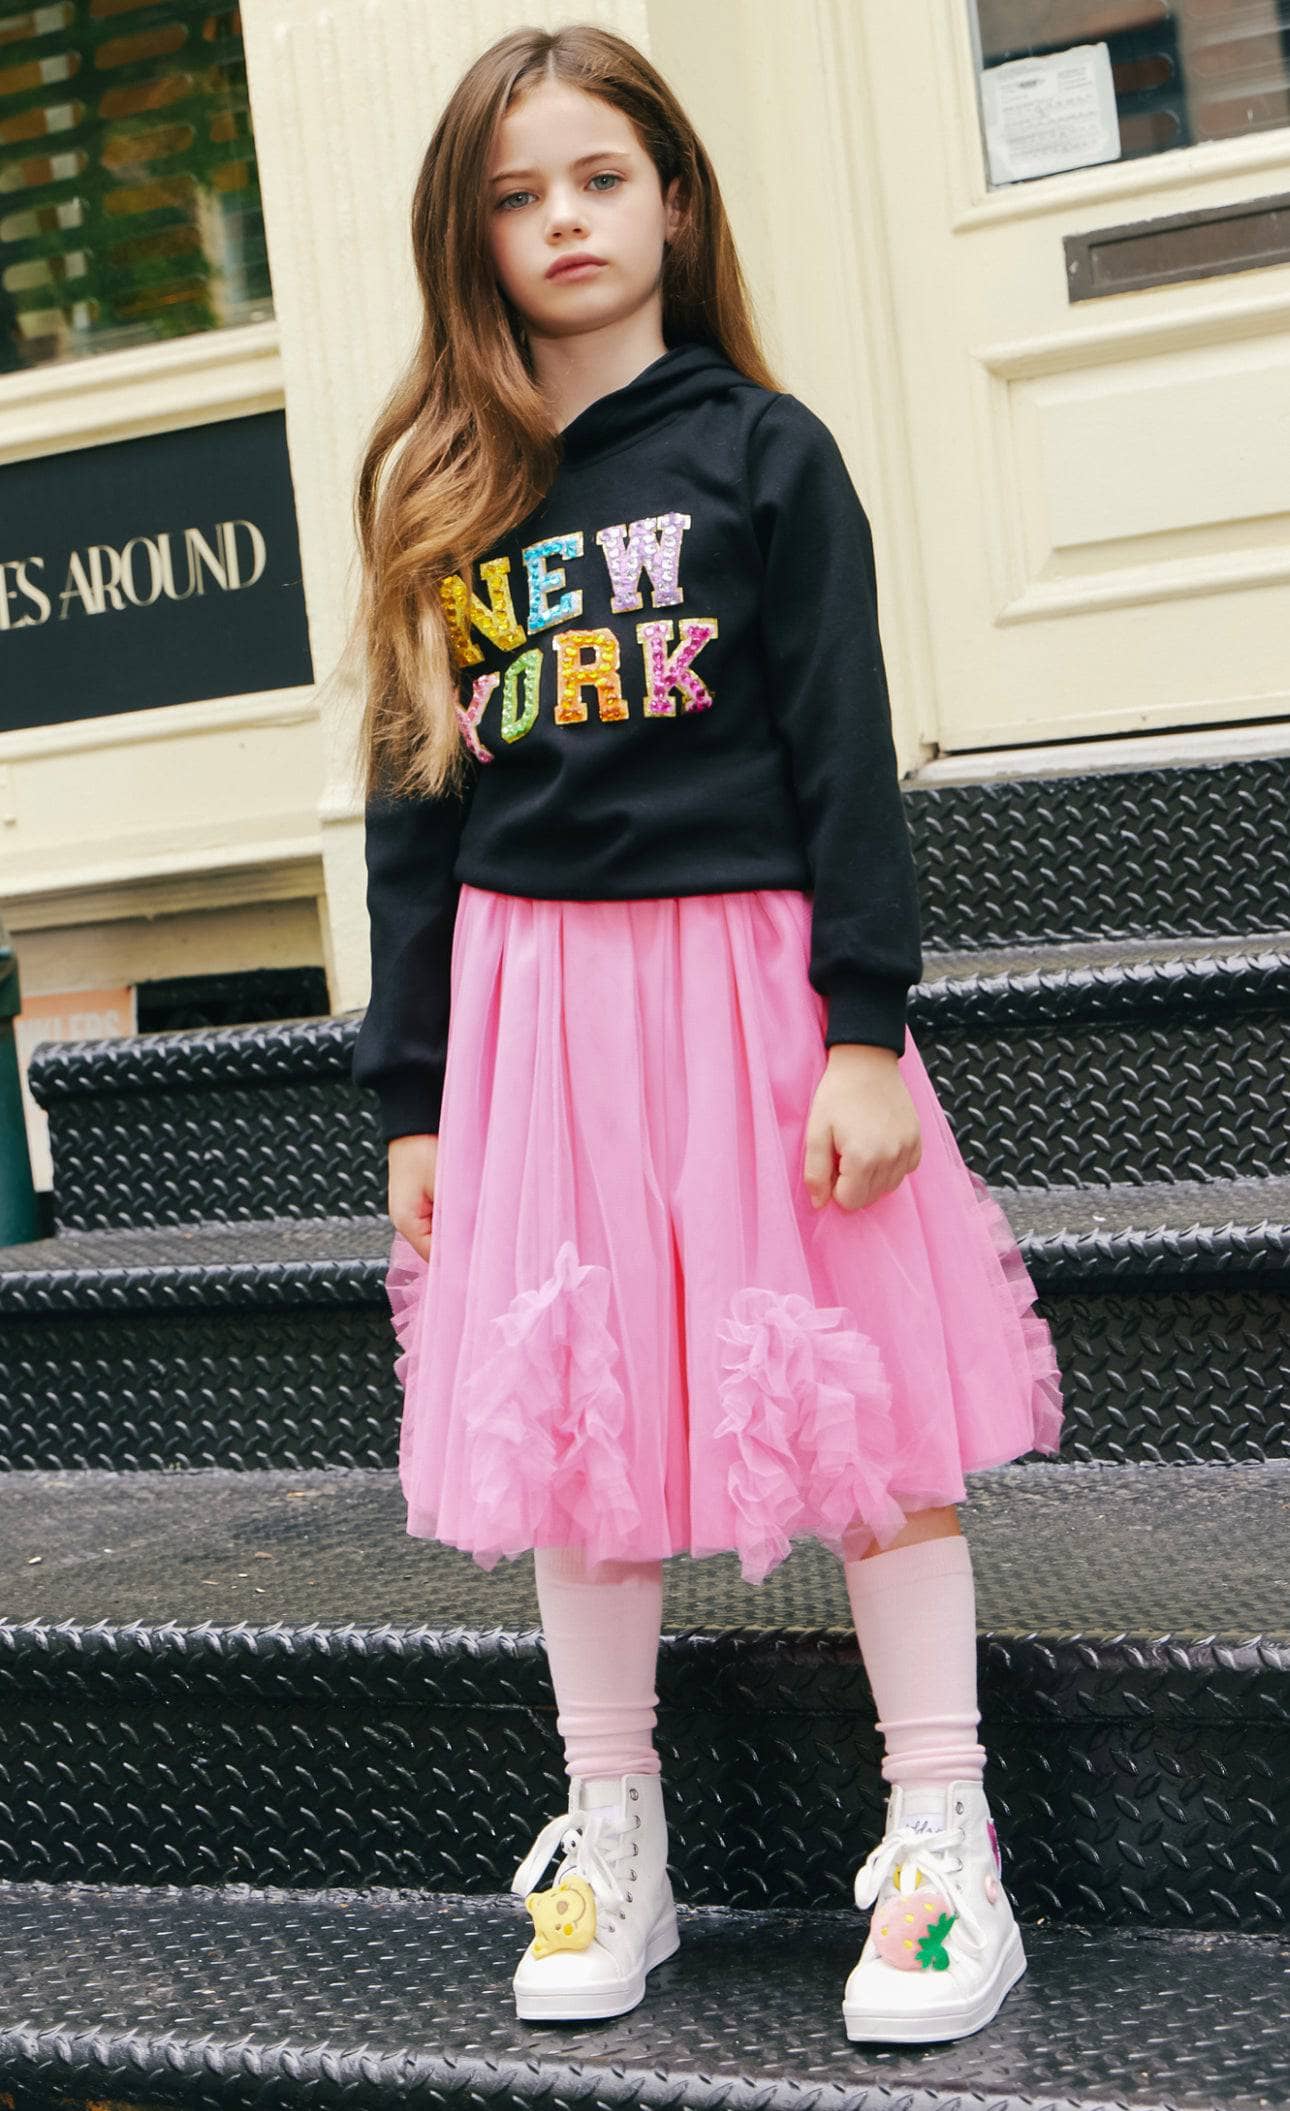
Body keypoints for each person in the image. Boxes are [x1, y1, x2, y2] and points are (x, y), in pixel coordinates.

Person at [347, 19, 1064, 2049]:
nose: (563, 220)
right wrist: (413, 1091)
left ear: (673, 198)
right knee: (573, 1422)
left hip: (751, 990)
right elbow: (413, 809)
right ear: (469, 238)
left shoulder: (766, 452)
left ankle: (943, 1833)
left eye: (599, 177)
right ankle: (616, 1829)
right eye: (516, 195)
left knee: (860, 1403)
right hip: (536, 1013)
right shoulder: (441, 490)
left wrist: (863, 1027)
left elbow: (842, 753)